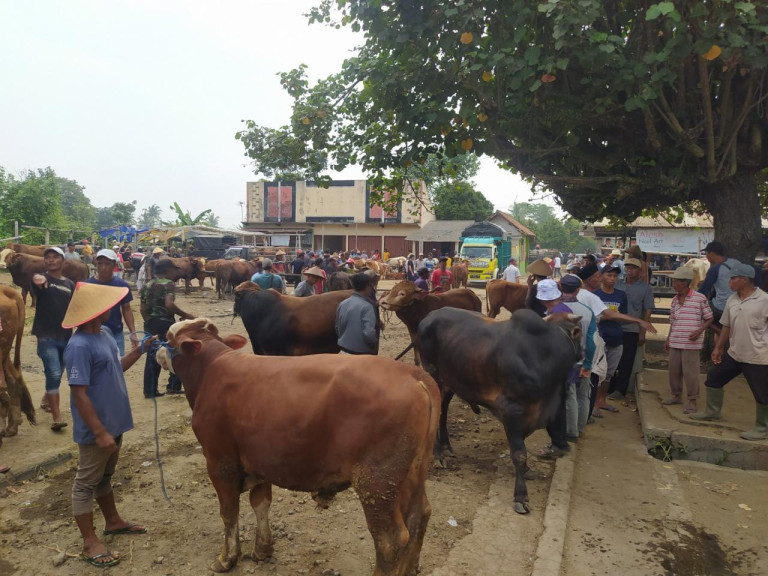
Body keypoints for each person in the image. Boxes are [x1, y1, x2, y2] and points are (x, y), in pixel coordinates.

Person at [62, 282, 151, 568]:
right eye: (106, 305)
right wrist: (99, 431)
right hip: (96, 429)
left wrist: (141, 351)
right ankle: (89, 542)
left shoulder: (104, 335)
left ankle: (112, 522)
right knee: (85, 483)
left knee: (104, 477)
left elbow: (116, 368)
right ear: (93, 311)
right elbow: (78, 393)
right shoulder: (78, 346)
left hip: (115, 423)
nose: (111, 308)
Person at [690, 263, 768, 440]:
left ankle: (763, 427)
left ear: (745, 280)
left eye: (733, 278)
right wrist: (718, 348)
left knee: (762, 393)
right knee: (714, 378)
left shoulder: (764, 301)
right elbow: (726, 325)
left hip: (757, 357)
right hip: (734, 353)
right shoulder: (732, 299)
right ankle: (712, 411)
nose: (729, 282)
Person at [32, 246, 75, 431]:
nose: (51, 260)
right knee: (54, 373)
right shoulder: (42, 279)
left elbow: (75, 308)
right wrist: (38, 279)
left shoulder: (70, 284)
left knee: (57, 374)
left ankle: (46, 398)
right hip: (45, 335)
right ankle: (57, 417)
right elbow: (36, 281)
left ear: (62, 261)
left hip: (66, 335)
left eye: (55, 257)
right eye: (47, 257)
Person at [140, 258, 194, 397]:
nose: (176, 273)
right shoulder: (168, 284)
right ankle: (174, 386)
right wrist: (185, 314)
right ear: (167, 270)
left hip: (151, 323)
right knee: (174, 352)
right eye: (174, 270)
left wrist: (150, 322)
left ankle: (150, 390)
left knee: (152, 354)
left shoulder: (147, 284)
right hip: (166, 323)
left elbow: (142, 308)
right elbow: (169, 304)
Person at [664, 267, 713, 413]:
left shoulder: (699, 298)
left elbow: (709, 318)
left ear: (685, 282)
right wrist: (668, 338)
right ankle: (676, 395)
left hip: (691, 343)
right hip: (676, 340)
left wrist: (699, 331)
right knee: (674, 370)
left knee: (690, 373)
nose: (674, 284)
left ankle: (692, 400)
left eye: (676, 281)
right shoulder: (674, 300)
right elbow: (673, 321)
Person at [536, 279, 575, 460]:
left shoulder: (557, 317)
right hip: (563, 368)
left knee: (554, 408)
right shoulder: (563, 311)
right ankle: (559, 442)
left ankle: (558, 444)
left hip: (556, 371)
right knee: (557, 407)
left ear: (543, 299)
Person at [608, 257, 654, 401]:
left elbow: (647, 311)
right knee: (612, 358)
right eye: (627, 267)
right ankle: (609, 387)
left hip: (632, 329)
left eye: (633, 268)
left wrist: (642, 332)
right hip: (614, 327)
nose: (630, 270)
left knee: (626, 360)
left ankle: (620, 390)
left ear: (640, 271)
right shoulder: (618, 285)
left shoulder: (645, 288)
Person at [559, 274, 598, 441]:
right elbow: (591, 342)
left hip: (566, 361)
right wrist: (588, 364)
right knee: (583, 395)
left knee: (570, 396)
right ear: (578, 290)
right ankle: (580, 428)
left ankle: (571, 432)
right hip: (584, 358)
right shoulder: (587, 311)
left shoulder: (557, 311)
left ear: (561, 288)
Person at [86, 249, 139, 356]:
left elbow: (126, 309)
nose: (103, 267)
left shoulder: (122, 285)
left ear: (114, 265)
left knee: (118, 366)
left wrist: (133, 332)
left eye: (107, 264)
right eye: (100, 264)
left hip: (115, 332)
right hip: (93, 334)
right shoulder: (87, 286)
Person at [697, 241, 741, 326]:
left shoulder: (715, 269)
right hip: (740, 304)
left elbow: (702, 292)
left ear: (712, 254)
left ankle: (719, 333)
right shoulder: (736, 262)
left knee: (698, 312)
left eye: (706, 254)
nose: (706, 256)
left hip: (722, 306)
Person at [335, 272, 380, 355]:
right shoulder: (367, 307)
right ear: (368, 286)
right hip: (360, 353)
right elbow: (369, 334)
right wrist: (374, 342)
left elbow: (337, 328)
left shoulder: (342, 304)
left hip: (343, 350)